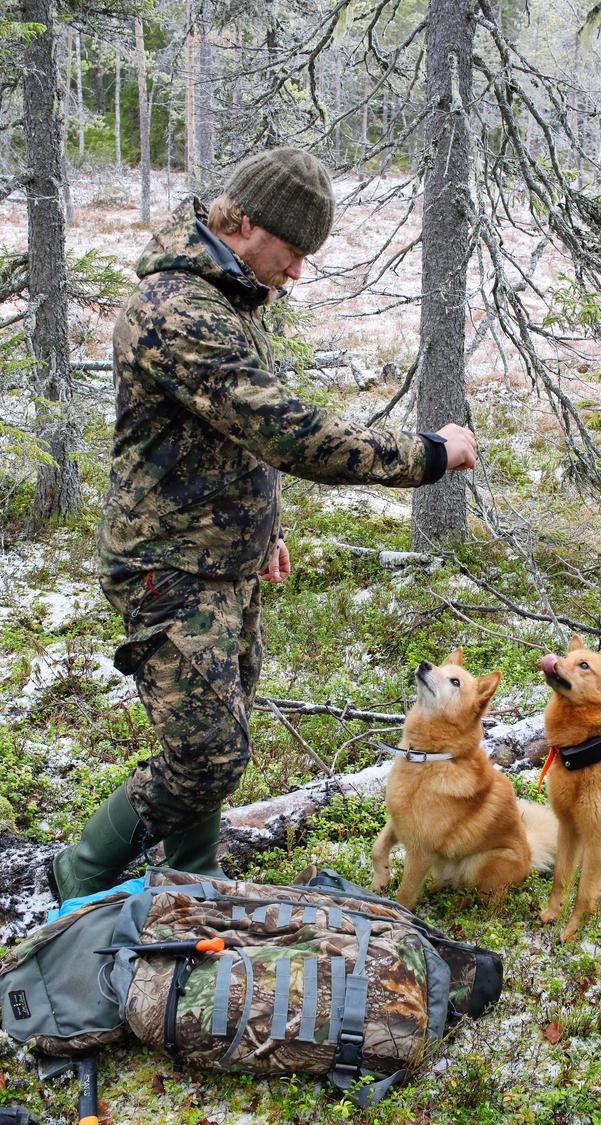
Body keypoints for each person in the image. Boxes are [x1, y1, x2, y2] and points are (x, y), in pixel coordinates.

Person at [50, 147, 477, 902]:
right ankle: (76, 872)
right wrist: (429, 455)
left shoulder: (231, 297)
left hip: (219, 557)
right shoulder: (177, 310)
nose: (297, 272)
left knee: (222, 727)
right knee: (206, 753)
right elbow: (282, 428)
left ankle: (193, 871)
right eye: (292, 251)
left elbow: (228, 434)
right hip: (168, 564)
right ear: (245, 223)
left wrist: (262, 530)